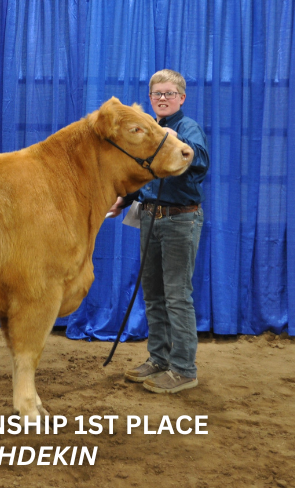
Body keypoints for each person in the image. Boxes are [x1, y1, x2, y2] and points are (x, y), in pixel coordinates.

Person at [106, 69, 210, 394]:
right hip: (150, 218)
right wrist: (124, 200)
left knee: (177, 295)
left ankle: (183, 369)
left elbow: (199, 157)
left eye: (169, 93)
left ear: (181, 98)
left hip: (180, 220)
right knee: (153, 293)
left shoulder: (186, 128)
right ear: (150, 98)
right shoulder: (151, 131)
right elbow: (145, 176)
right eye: (157, 94)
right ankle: (159, 359)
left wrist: (187, 152)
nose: (162, 98)